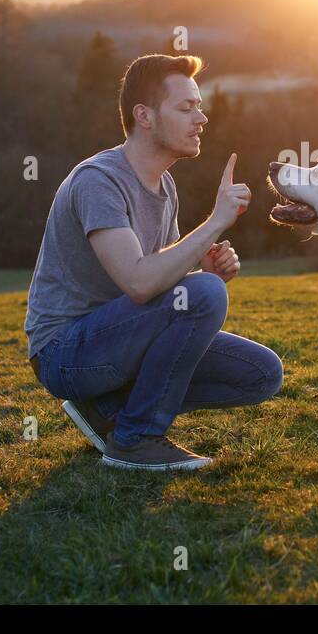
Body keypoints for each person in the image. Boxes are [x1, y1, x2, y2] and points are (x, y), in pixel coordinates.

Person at [24, 53, 282, 470]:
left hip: (120, 339)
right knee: (204, 294)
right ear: (144, 116)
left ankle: (110, 408)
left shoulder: (165, 186)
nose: (201, 119)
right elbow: (140, 283)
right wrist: (215, 224)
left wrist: (206, 272)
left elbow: (167, 284)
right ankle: (135, 438)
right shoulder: (98, 181)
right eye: (186, 107)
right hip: (65, 353)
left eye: (199, 106)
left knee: (260, 373)